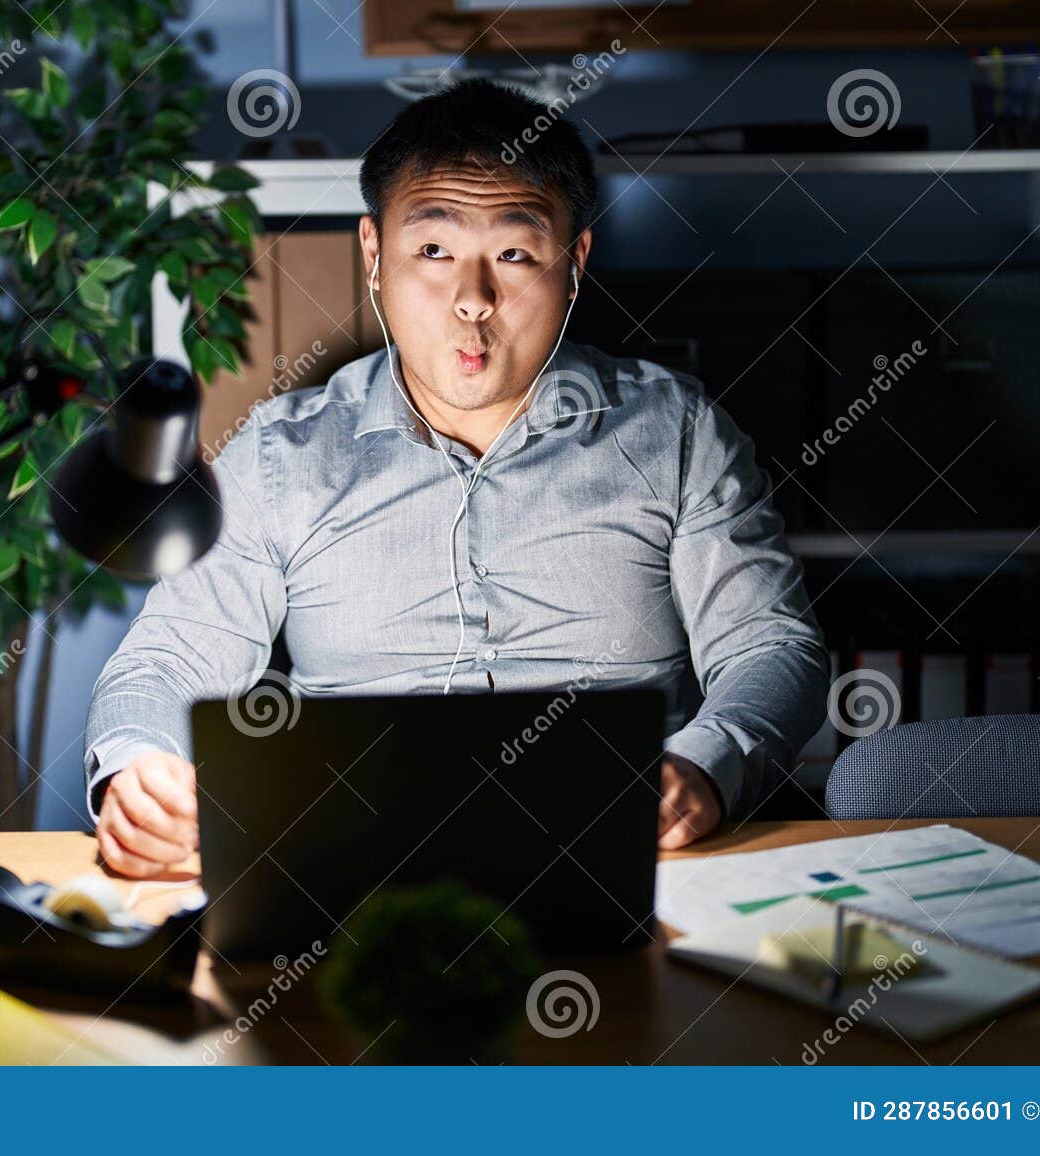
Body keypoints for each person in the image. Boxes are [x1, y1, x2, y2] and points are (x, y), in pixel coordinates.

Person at [84, 78, 830, 878]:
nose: (472, 300)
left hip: (620, 858)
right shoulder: (279, 456)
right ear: (374, 254)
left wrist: (703, 768)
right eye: (434, 251)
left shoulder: (675, 431)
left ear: (574, 261)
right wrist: (135, 770)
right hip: (352, 865)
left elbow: (771, 644)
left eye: (513, 254)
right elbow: (165, 662)